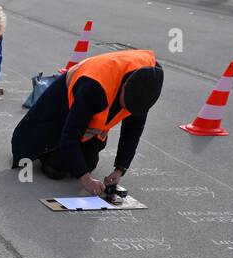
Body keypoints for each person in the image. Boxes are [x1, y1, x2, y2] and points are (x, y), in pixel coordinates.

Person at [11, 49, 163, 195]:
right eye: (126, 105)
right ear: (123, 87)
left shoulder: (148, 82)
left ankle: (68, 156)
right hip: (57, 111)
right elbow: (70, 135)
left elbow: (132, 132)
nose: (126, 110)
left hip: (86, 108)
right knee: (58, 168)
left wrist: (120, 169)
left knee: (89, 163)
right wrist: (86, 180)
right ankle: (46, 152)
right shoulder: (95, 88)